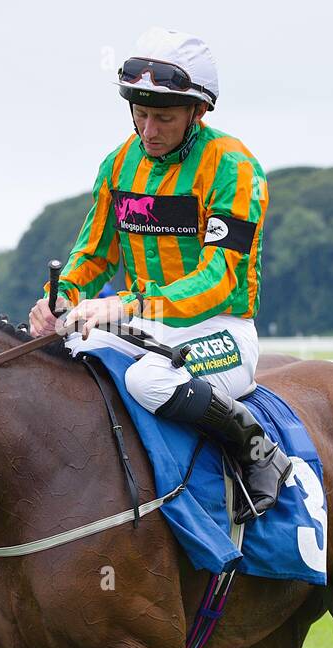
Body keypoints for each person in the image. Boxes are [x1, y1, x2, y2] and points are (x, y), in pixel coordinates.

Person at [28, 27, 291, 523]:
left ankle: (259, 450)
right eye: (140, 114)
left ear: (199, 112)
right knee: (68, 360)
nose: (148, 130)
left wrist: (126, 305)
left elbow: (217, 280)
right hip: (145, 325)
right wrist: (58, 299)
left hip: (220, 329)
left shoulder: (233, 166)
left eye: (164, 118)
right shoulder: (119, 164)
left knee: (150, 381)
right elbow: (92, 255)